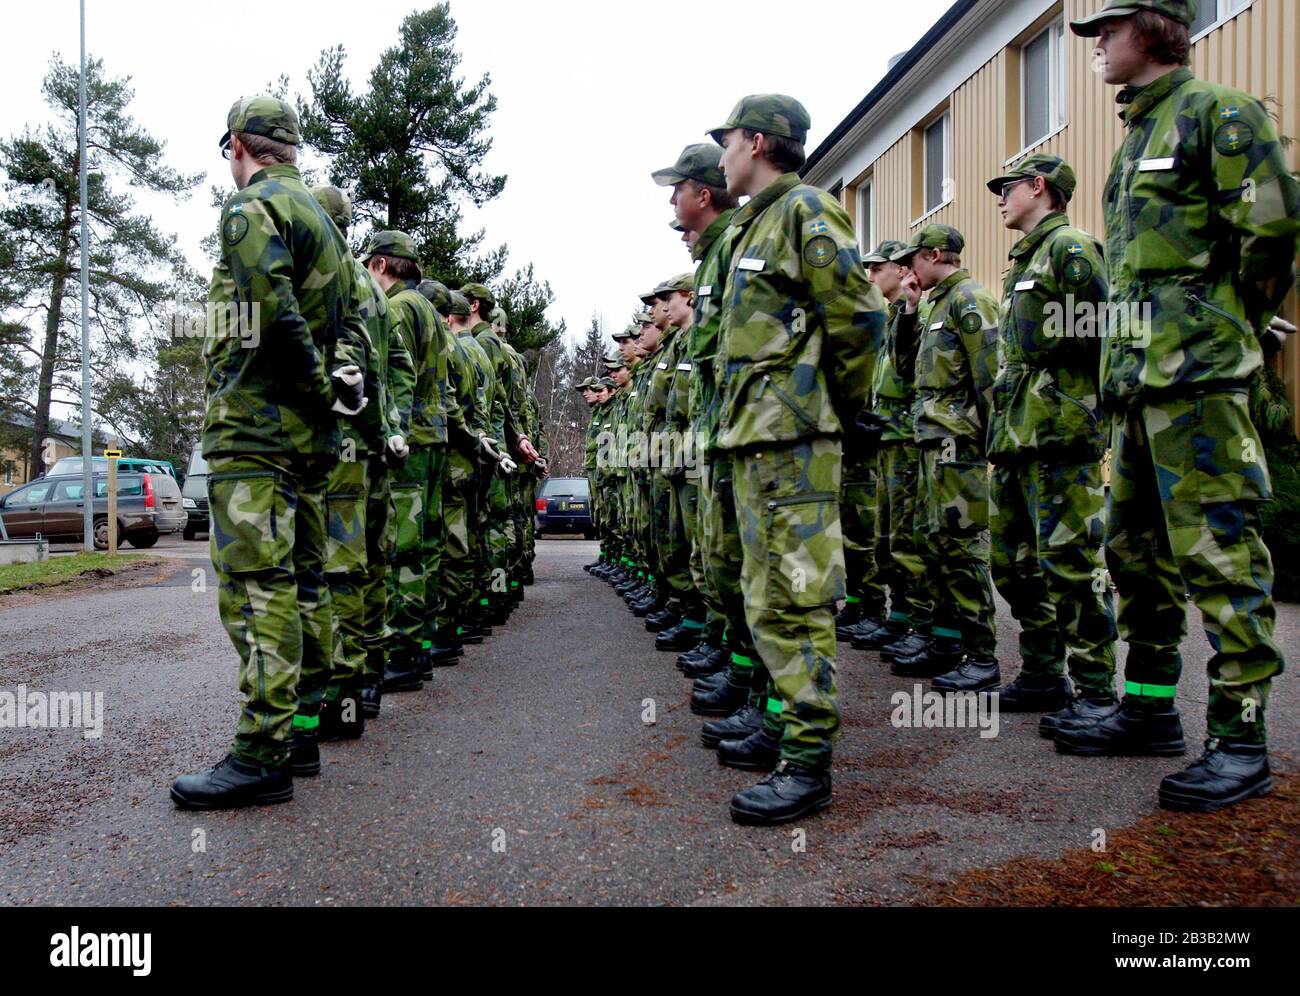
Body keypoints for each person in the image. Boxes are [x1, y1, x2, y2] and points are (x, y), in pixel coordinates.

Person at [1061, 0, 1300, 811]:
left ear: (1156, 30)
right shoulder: (1138, 137)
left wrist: (1223, 322)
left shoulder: (1215, 113)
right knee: (1134, 555)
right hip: (1138, 385)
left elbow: (1270, 232)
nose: (1095, 46)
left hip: (1195, 378)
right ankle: (1151, 710)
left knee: (1221, 558)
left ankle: (1241, 742)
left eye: (1107, 30)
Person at [171, 96, 370, 809]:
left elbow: (270, 317)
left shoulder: (252, 211)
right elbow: (351, 329)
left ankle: (262, 755)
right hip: (309, 444)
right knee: (305, 582)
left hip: (256, 434)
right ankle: (300, 733)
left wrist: (316, 388)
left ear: (237, 147)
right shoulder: (324, 221)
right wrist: (336, 390)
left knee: (259, 589)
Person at [709, 94, 886, 824]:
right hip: (757, 437)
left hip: (793, 438)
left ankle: (809, 764)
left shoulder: (806, 210)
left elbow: (861, 315)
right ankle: (787, 730)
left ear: (757, 141)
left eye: (726, 142)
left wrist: (829, 405)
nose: (721, 156)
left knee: (797, 597)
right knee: (764, 595)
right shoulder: (757, 220)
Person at [977, 155, 1119, 714]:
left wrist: (1081, 408)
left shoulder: (1071, 250)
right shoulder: (1025, 261)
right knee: (1012, 563)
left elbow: (1106, 334)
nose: (1000, 198)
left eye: (1007, 187)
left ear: (1039, 188)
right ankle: (1042, 673)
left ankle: (1096, 688)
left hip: (1059, 435)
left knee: (1071, 565)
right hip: (1016, 437)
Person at [887, 225, 1000, 688]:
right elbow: (903, 368)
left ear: (935, 255)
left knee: (961, 546)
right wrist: (911, 308)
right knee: (932, 544)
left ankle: (983, 656)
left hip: (958, 445)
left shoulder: (970, 299)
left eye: (914, 259)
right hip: (930, 441)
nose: (907, 268)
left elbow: (990, 376)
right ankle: (948, 641)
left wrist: (990, 444)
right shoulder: (933, 303)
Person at [853, 240, 933, 657]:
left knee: (906, 537)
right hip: (886, 435)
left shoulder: (918, 312)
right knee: (885, 540)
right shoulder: (891, 316)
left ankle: (921, 623)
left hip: (908, 437)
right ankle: (900, 617)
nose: (870, 276)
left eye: (877, 268)